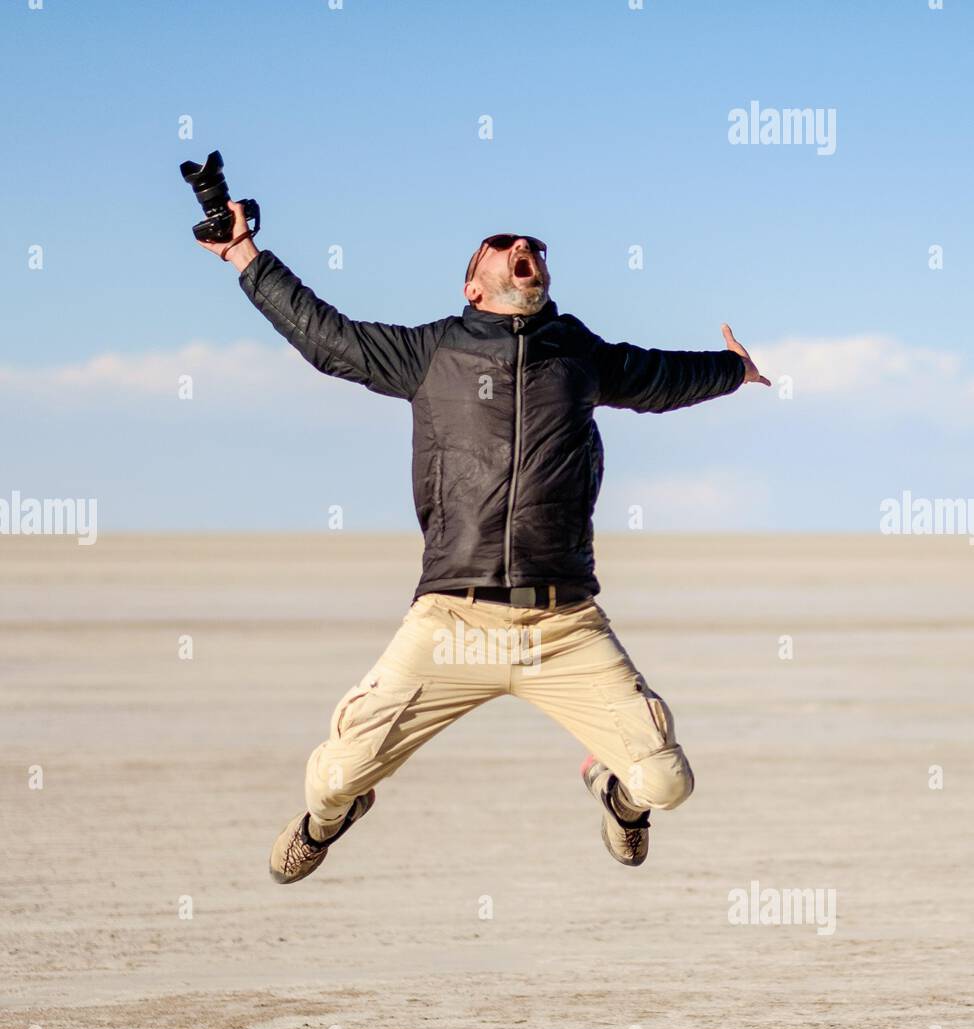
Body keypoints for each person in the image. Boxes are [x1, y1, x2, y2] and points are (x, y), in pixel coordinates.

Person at [200, 205, 769, 882]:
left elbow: (659, 379)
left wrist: (731, 371)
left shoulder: (578, 355)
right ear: (474, 284)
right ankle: (332, 821)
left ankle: (617, 800)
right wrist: (244, 255)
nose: (523, 246)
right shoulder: (430, 353)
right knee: (333, 777)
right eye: (502, 245)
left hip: (563, 626)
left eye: (533, 245)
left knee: (666, 781)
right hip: (452, 620)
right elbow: (329, 339)